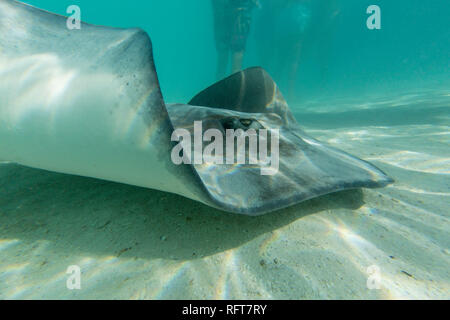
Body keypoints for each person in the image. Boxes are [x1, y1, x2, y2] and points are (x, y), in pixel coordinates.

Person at [211, 0, 259, 79]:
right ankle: (231, 86)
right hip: (239, 10)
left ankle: (222, 85)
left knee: (226, 54)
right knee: (235, 51)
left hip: (227, 10)